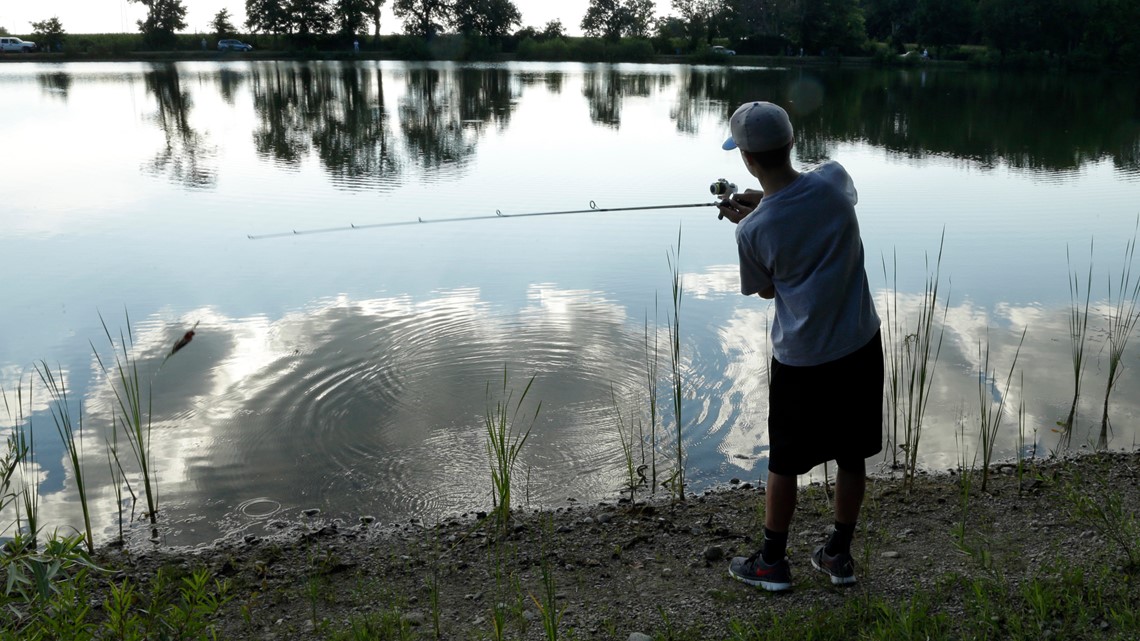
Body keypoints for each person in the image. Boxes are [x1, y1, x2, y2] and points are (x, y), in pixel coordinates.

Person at [716, 101, 882, 592]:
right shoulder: (833, 180)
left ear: (746, 160)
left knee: (784, 462)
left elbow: (768, 289)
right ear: (792, 143)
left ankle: (771, 563)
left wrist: (759, 214)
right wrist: (769, 203)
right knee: (852, 456)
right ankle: (838, 555)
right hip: (859, 344)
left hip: (801, 360)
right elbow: (807, 200)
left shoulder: (752, 230)